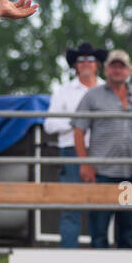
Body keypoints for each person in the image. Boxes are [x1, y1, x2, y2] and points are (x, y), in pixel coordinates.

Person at [71, 50, 132, 248]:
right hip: (101, 173)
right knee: (99, 231)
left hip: (130, 174)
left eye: (122, 66)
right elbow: (78, 129)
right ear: (106, 69)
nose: (117, 70)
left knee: (127, 230)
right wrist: (85, 164)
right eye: (114, 66)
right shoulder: (93, 96)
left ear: (129, 70)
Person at [45, 42, 104, 248]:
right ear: (76, 65)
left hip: (103, 153)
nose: (86, 63)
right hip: (71, 153)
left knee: (102, 207)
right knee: (71, 207)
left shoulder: (108, 89)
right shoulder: (63, 91)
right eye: (81, 60)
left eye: (90, 59)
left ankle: (103, 258)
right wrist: (77, 123)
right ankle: (68, 258)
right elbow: (49, 124)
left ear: (97, 64)